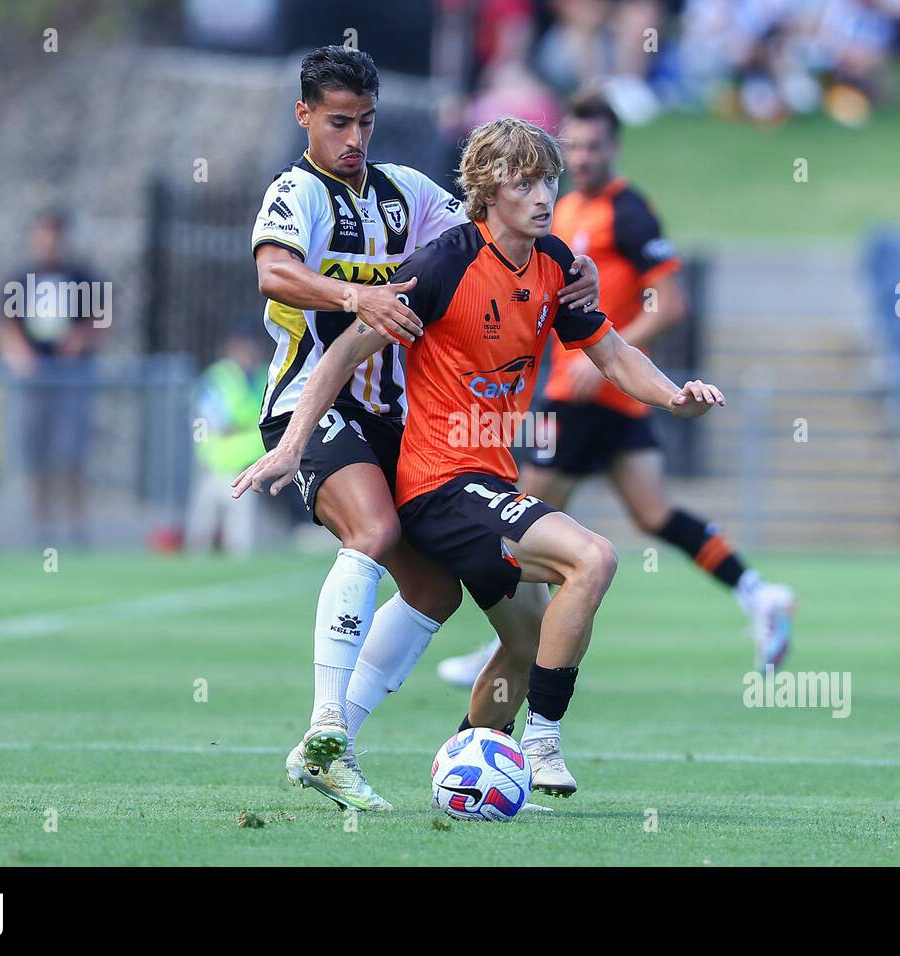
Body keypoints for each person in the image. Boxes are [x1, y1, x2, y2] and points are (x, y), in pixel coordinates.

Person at [237, 116, 724, 797]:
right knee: (594, 558)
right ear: (490, 191)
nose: (542, 194)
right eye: (524, 182)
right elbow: (345, 350)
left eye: (548, 179)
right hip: (438, 482)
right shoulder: (444, 264)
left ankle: (466, 775)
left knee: (527, 646)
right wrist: (291, 444)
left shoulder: (555, 264)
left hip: (487, 479)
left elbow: (611, 353)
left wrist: (675, 398)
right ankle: (543, 742)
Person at [231, 47, 599, 810]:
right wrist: (352, 297)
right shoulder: (294, 190)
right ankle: (327, 723)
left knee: (433, 592)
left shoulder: (404, 192)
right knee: (367, 532)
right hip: (314, 400)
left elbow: (491, 226)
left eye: (366, 121)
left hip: (400, 422)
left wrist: (574, 265)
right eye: (339, 122)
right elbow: (272, 273)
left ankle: (323, 753)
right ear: (305, 116)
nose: (355, 138)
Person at [437, 91, 797, 690]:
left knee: (516, 525)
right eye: (572, 146)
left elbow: (672, 302)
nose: (581, 157)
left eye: (593, 146)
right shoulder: (563, 209)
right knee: (652, 513)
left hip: (591, 393)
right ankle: (757, 592)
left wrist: (598, 353)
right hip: (609, 397)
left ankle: (510, 645)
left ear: (615, 147)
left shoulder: (628, 212)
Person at [0, 209, 104, 544]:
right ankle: (40, 527)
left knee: (71, 453)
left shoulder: (81, 275)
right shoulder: (20, 277)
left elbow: (101, 319)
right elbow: (6, 325)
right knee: (36, 454)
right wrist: (19, 355)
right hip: (36, 380)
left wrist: (80, 340)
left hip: (71, 379)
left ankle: (76, 526)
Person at [185, 330, 269, 555]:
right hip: (216, 464)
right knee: (202, 529)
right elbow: (206, 420)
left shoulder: (262, 376)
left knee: (240, 533)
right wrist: (203, 451)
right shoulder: (218, 378)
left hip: (248, 465)